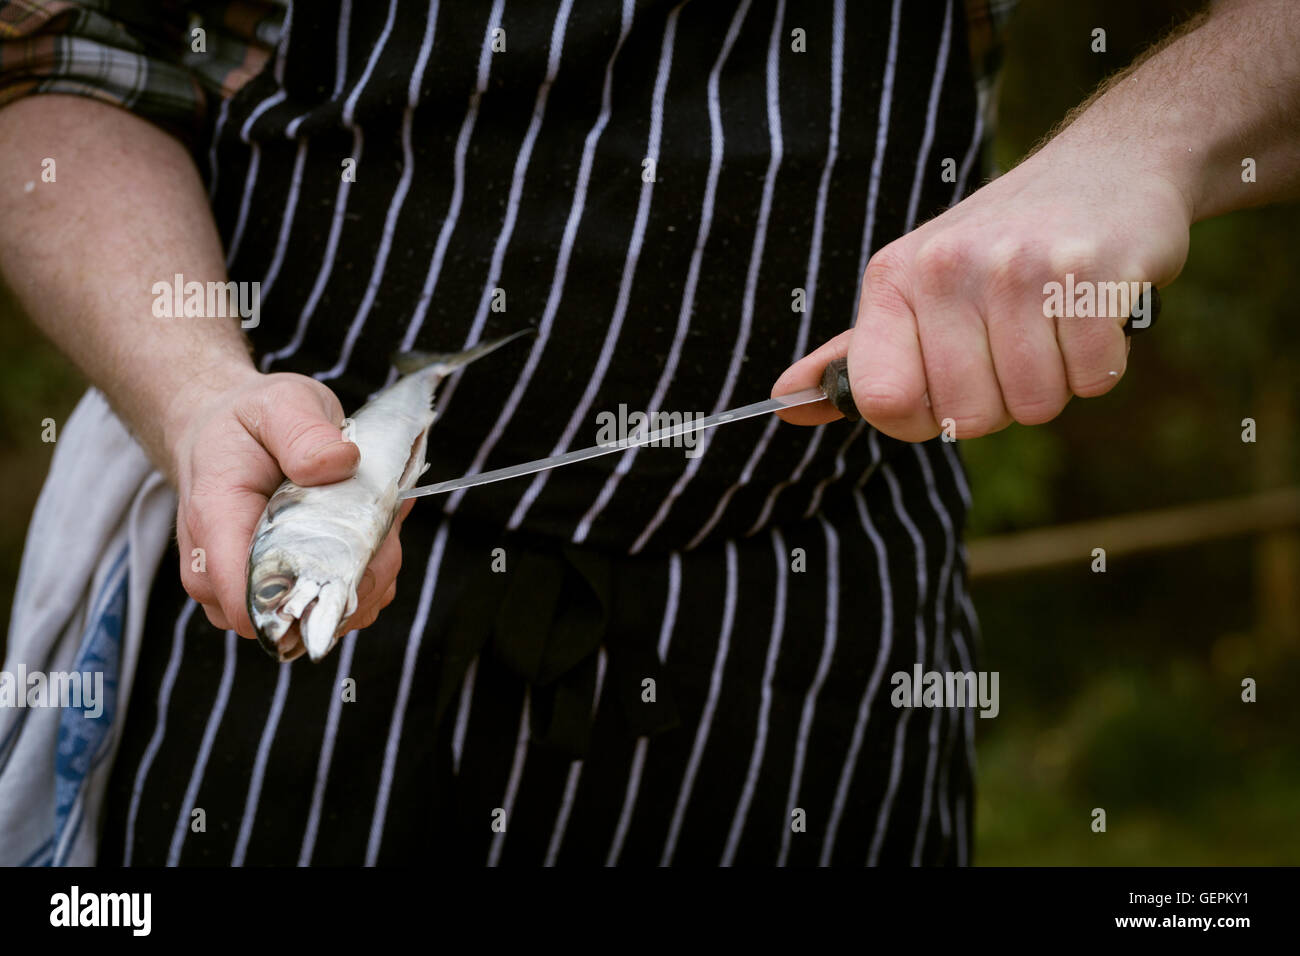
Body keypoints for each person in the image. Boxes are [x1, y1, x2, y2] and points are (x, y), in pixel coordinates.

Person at [0, 0, 1295, 866]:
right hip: (289, 625)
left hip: (822, 632)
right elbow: (58, 51)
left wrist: (1146, 145)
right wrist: (191, 387)